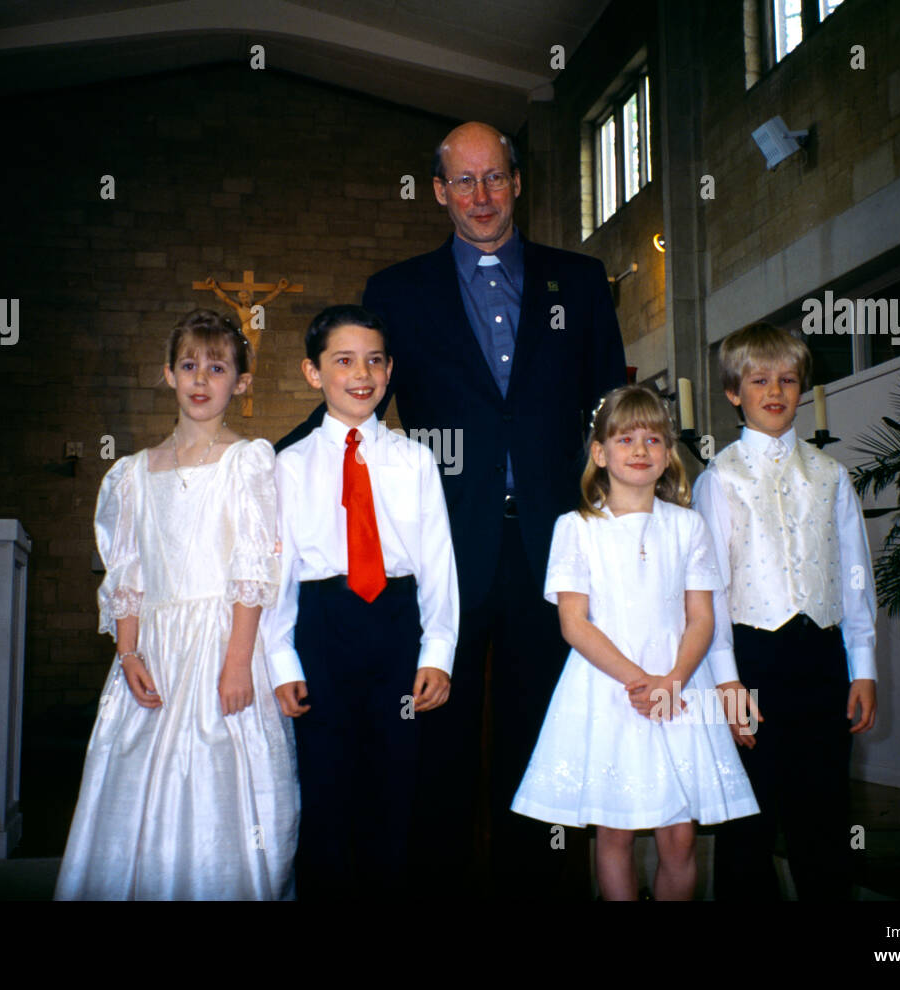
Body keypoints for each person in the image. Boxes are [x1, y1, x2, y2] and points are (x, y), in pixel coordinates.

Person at [277, 121, 626, 897]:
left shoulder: (582, 279)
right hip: (444, 552)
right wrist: (263, 462)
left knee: (542, 731)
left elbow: (613, 409)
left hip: (554, 545)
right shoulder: (398, 291)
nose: (481, 196)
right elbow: (357, 401)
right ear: (439, 191)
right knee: (435, 733)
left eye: (494, 177)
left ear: (517, 182)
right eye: (463, 181)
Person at [54, 309, 299, 900]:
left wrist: (239, 660)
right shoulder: (132, 475)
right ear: (168, 374)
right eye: (189, 364)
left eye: (217, 367)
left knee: (221, 785)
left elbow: (252, 570)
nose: (200, 378)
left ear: (240, 382)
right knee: (134, 785)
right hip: (154, 654)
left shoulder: (248, 462)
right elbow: (128, 574)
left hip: (223, 648)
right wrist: (128, 649)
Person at [511, 385, 759, 900]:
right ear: (599, 453)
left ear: (668, 455)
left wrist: (670, 682)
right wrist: (639, 681)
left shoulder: (689, 527)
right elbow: (574, 623)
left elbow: (701, 620)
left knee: (679, 835)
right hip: (608, 689)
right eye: (625, 439)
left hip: (681, 689)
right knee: (614, 830)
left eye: (653, 439)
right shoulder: (576, 528)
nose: (640, 450)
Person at [263, 304, 459, 898]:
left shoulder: (415, 459)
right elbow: (277, 575)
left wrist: (438, 653)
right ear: (312, 372)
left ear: (391, 368)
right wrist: (282, 662)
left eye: (375, 360)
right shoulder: (287, 466)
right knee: (324, 789)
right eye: (343, 361)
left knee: (394, 789)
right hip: (322, 629)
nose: (362, 374)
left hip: (397, 629)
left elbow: (438, 566)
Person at [693, 322, 878, 901]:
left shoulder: (831, 475)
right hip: (751, 660)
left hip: (822, 659)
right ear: (734, 392)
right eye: (759, 380)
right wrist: (727, 685)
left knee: (823, 817)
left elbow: (855, 575)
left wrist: (863, 666)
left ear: (802, 389)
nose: (775, 391)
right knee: (750, 824)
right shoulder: (718, 478)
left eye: (788, 380)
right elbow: (710, 590)